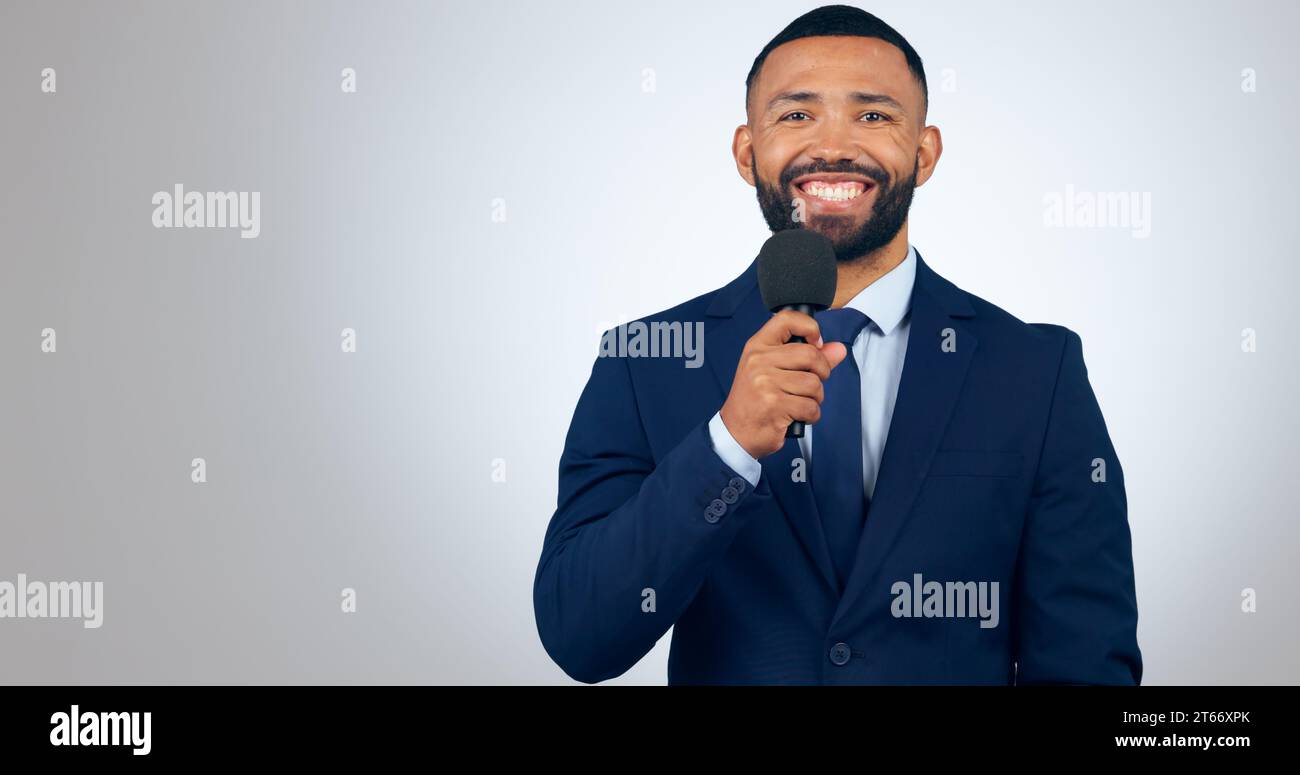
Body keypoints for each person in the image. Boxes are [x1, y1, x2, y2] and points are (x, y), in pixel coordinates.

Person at [533, 4, 1141, 685]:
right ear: (746, 150)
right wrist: (727, 445)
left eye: (873, 115)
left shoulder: (1037, 372)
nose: (833, 146)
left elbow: (1087, 662)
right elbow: (578, 632)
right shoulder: (643, 363)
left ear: (925, 151)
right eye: (796, 115)